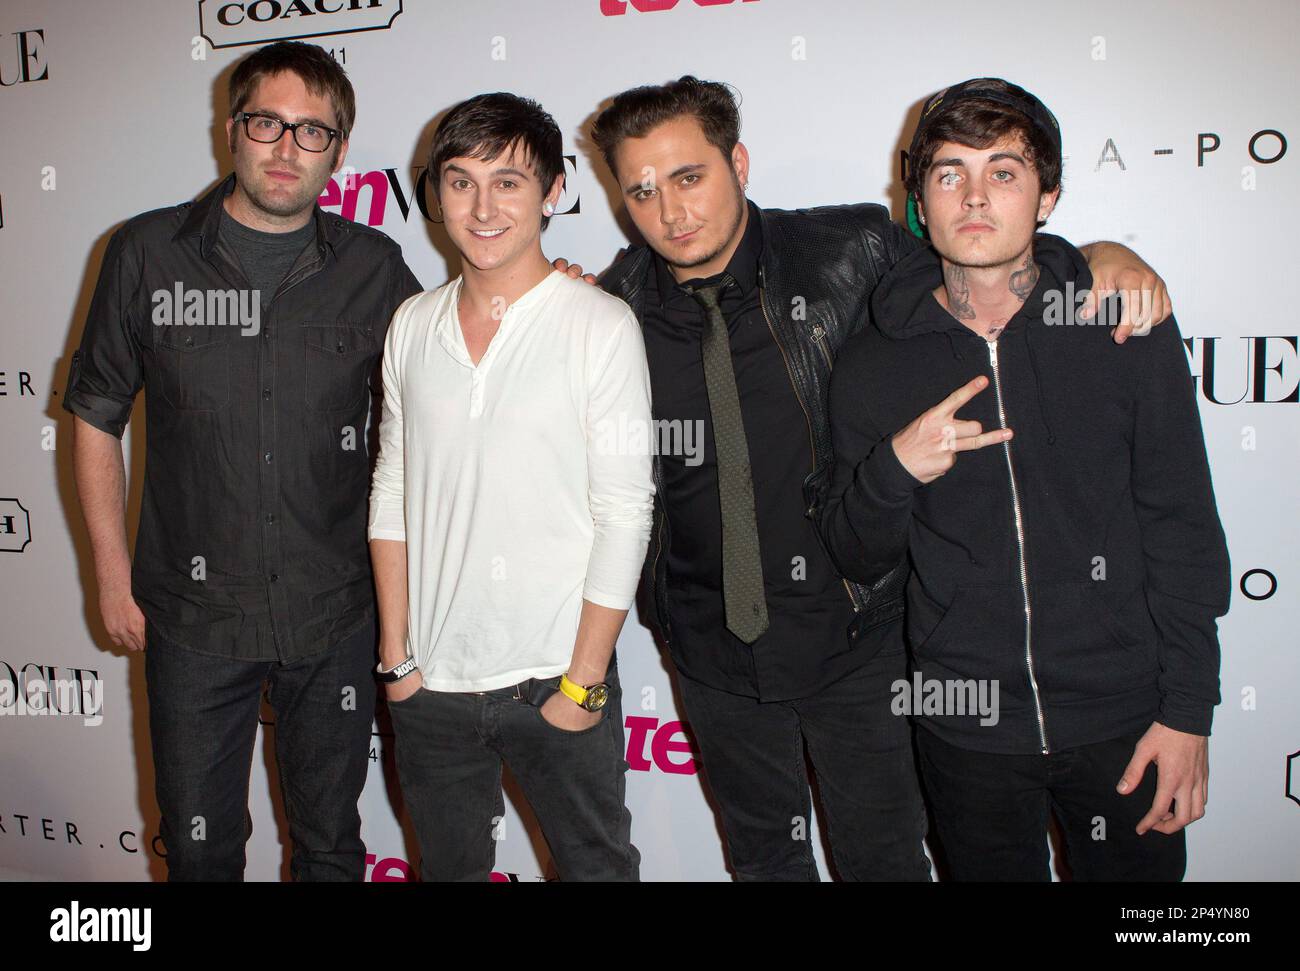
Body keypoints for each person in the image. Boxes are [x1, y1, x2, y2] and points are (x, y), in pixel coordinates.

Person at [591, 75, 1174, 881]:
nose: (672, 211)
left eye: (690, 177)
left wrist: (1102, 256)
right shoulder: (610, 309)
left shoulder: (852, 251)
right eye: (643, 190)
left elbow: (982, 253)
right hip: (708, 646)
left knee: (887, 862)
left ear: (739, 163)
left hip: (859, 636)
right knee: (764, 858)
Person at [819, 78, 1230, 881]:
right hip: (965, 728)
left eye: (1003, 172)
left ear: (1048, 196)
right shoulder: (874, 361)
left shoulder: (1122, 322)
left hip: (1126, 718)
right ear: (918, 200)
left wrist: (1188, 711)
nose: (974, 196)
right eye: (949, 174)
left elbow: (1182, 525)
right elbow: (853, 553)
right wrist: (894, 470)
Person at [64, 41, 424, 880]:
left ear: (338, 151)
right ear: (232, 129)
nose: (286, 148)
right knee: (198, 849)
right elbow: (94, 418)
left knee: (331, 845)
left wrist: (543, 291)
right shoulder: (145, 254)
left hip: (334, 614)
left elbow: (454, 388)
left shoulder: (375, 269)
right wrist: (110, 578)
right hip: (192, 620)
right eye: (268, 122)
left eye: (312, 132)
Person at [368, 92, 654, 882]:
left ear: (553, 190)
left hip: (554, 677)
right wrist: (396, 656)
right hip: (430, 687)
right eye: (460, 181)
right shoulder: (411, 325)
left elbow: (626, 511)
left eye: (508, 182)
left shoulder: (598, 324)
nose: (482, 206)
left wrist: (583, 684)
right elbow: (392, 485)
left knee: (597, 868)